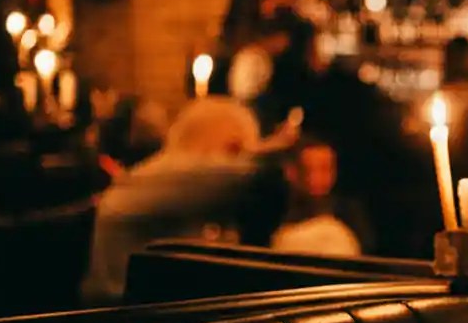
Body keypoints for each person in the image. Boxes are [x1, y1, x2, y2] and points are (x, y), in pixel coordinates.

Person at [81, 97, 299, 304]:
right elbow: (258, 176)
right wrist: (273, 149)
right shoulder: (167, 177)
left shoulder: (156, 179)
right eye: (238, 151)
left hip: (138, 318)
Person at [270, 137, 375, 256]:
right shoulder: (270, 214)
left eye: (324, 169)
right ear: (290, 172)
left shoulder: (351, 215)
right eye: (307, 169)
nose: (316, 178)